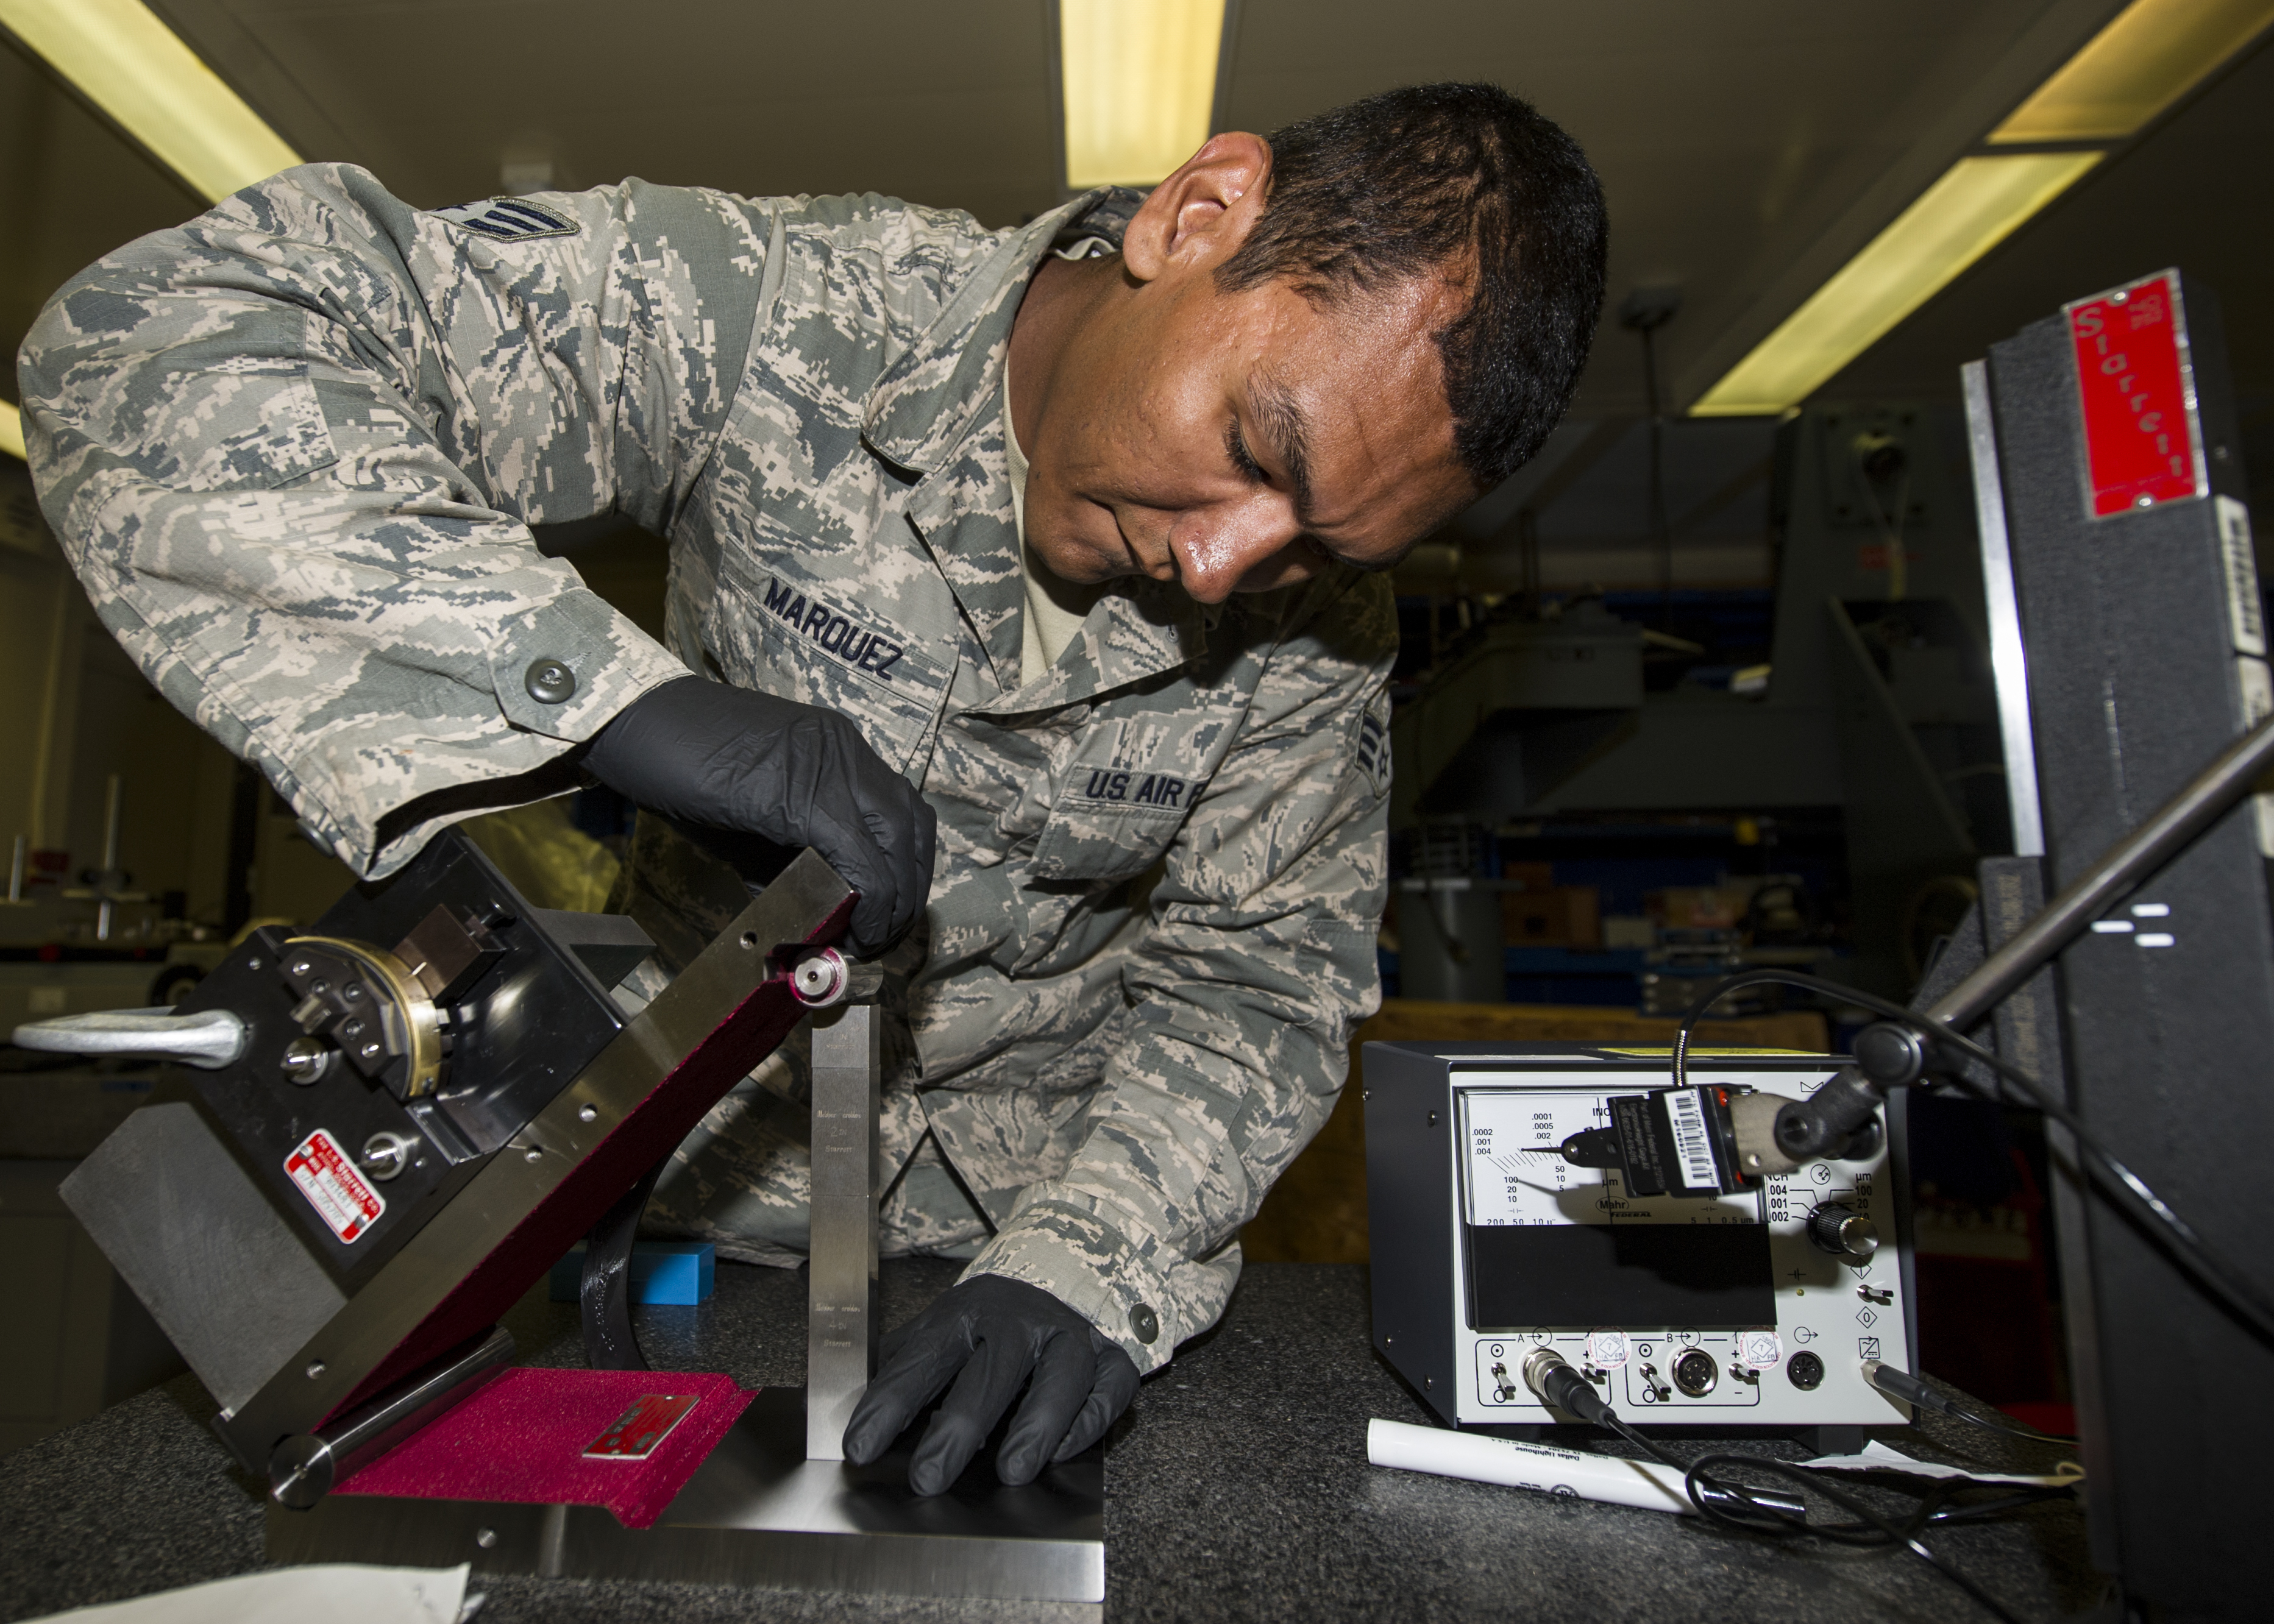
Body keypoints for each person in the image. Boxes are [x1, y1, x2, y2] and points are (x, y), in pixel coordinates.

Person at [18, 81, 1605, 1494]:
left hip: (1018, 1257)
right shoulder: (781, 310)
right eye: (1257, 448)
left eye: (1320, 542)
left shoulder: (1305, 609)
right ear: (1198, 215)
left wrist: (1088, 1266)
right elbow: (162, 338)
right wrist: (593, 698)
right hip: (666, 1202)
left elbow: (1254, 980)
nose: (1222, 563)